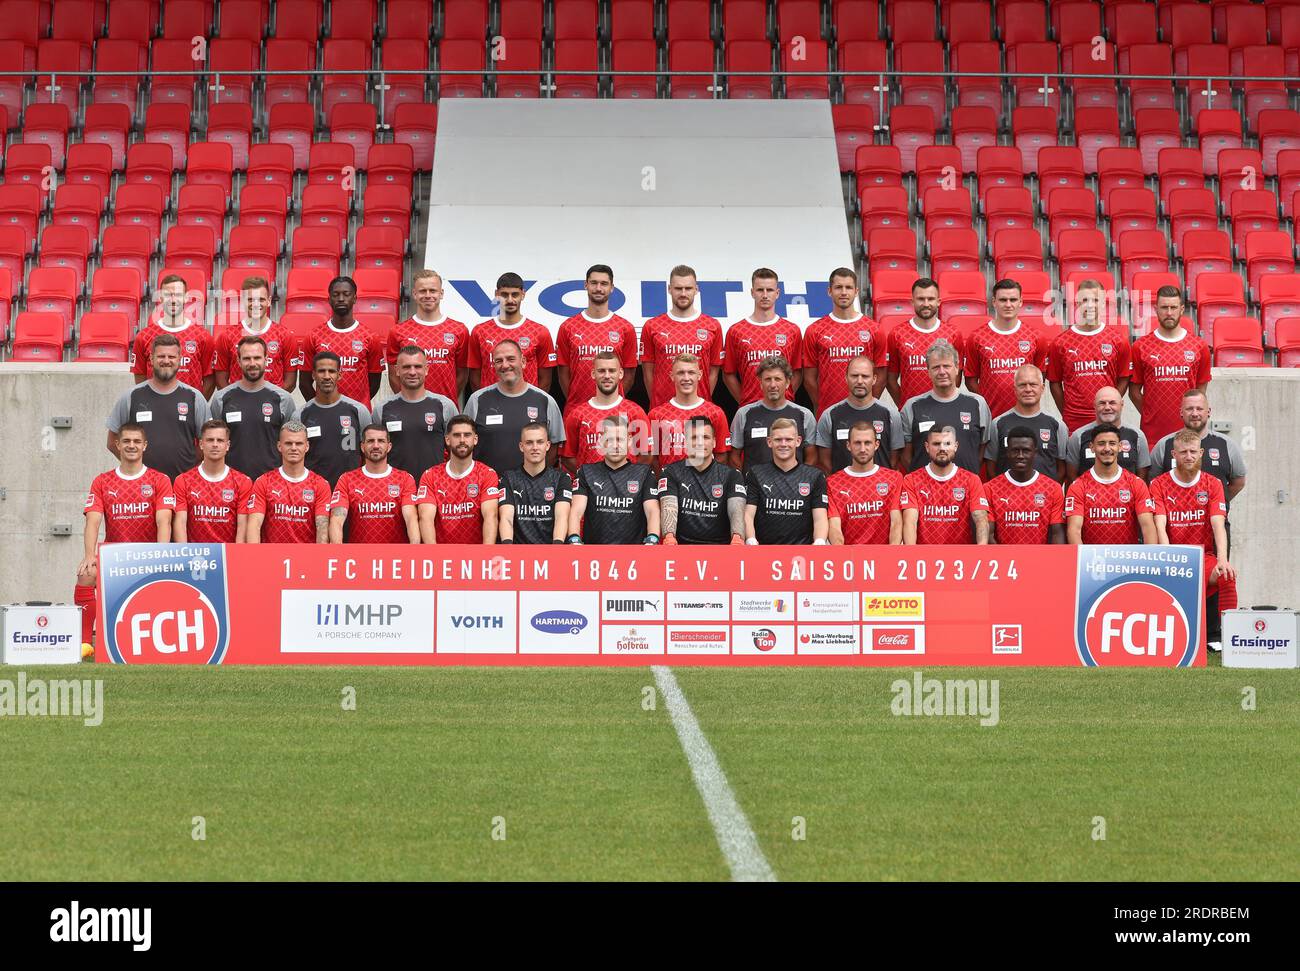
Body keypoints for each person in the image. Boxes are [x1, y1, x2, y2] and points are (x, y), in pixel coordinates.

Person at [75, 422, 176, 647]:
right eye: (127, 441)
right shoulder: (102, 481)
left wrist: (161, 554)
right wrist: (89, 555)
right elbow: (93, 521)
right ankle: (85, 644)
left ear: (145, 446)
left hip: (147, 555)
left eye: (137, 441)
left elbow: (164, 520)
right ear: (118, 445)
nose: (132, 446)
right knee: (86, 574)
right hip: (114, 554)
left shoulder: (159, 480)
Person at [1151, 428, 1237, 651]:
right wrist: (1168, 558)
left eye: (1192, 452)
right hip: (1173, 557)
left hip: (1203, 556)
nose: (1188, 456)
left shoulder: (1213, 484)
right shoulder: (1159, 484)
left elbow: (1218, 524)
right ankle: (1168, 640)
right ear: (1174, 455)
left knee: (1227, 575)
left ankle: (1232, 638)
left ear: (1201, 453)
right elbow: (1160, 524)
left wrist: (1222, 560)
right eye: (1183, 452)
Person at [107, 332, 210, 480]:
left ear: (179, 360)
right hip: (142, 486)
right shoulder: (131, 397)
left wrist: (189, 467)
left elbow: (207, 442)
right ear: (151, 359)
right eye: (161, 356)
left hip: (182, 486)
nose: (166, 361)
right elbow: (112, 442)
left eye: (172, 357)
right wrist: (134, 466)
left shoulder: (194, 397)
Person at [464, 339, 565, 474]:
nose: (505, 365)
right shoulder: (477, 400)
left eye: (511, 359)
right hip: (488, 489)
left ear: (523, 362)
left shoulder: (545, 401)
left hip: (530, 490)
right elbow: (465, 443)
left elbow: (554, 447)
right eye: (499, 361)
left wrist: (535, 477)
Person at [1129, 286, 1212, 451]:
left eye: (1173, 307)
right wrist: (1150, 413)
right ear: (1156, 309)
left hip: (1188, 436)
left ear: (1181, 309)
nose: (1169, 312)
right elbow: (1134, 392)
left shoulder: (1199, 346)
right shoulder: (1140, 346)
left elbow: (1200, 391)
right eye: (1164, 307)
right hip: (1153, 436)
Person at [207, 335, 297, 482]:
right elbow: (215, 442)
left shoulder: (284, 399)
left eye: (257, 358)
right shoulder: (221, 399)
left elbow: (290, 443)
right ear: (238, 361)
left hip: (271, 483)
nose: (252, 363)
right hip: (231, 483)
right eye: (247, 358)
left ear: (266, 359)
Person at [1048, 278, 1131, 433]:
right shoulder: (1060, 343)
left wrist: (1109, 406)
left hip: (1108, 420)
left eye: (1095, 300)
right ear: (1077, 303)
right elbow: (1054, 383)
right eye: (1085, 300)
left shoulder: (1119, 341)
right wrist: (1067, 411)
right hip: (1074, 421)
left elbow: (1124, 378)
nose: (1090, 305)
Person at [803, 267, 887, 415]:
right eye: (838, 287)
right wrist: (823, 405)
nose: (843, 292)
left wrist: (867, 403)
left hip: (864, 412)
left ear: (856, 291)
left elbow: (881, 375)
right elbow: (809, 379)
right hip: (829, 413)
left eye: (848, 287)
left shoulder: (875, 330)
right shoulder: (814, 330)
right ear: (829, 291)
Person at [899, 339, 992, 474]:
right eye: (936, 367)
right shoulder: (912, 406)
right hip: (924, 490)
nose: (941, 372)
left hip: (965, 489)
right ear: (928, 371)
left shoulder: (977, 404)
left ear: (956, 368)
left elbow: (982, 450)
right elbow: (905, 455)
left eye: (946, 366)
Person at [640, 264, 725, 409]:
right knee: (656, 433)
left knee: (700, 433)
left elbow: (713, 373)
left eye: (688, 288)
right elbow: (648, 373)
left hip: (699, 412)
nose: (683, 293)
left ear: (696, 290)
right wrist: (658, 404)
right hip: (661, 411)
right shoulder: (651, 326)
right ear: (669, 289)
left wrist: (699, 402)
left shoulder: (713, 325)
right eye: (678, 288)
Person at [372, 345, 459, 484]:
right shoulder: (382, 408)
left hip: (435, 487)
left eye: (418, 367)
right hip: (395, 488)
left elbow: (457, 450)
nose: (412, 372)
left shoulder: (445, 406)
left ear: (426, 370)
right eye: (406, 367)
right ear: (397, 370)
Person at [962, 278, 1048, 419]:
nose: (1008, 305)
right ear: (994, 302)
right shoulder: (976, 338)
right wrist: (985, 402)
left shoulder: (1036, 337)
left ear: (1021, 302)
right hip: (991, 416)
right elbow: (971, 379)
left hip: (1027, 415)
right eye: (1003, 300)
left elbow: (1040, 376)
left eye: (1013, 300)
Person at [566, 417, 661, 544]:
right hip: (594, 555)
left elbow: (652, 511)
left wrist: (653, 538)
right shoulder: (586, 472)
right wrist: (573, 537)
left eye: (620, 440)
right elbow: (576, 511)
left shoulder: (644, 473)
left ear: (629, 440)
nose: (615, 445)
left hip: (635, 555)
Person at [297, 276, 385, 408]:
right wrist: (321, 407)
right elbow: (304, 383)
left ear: (354, 298)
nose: (341, 299)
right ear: (329, 299)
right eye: (336, 294)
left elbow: (374, 382)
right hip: (323, 412)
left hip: (357, 413)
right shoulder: (313, 336)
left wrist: (356, 407)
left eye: (346, 294)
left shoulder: (370, 337)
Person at [555, 264, 639, 404]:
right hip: (577, 408)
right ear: (586, 285)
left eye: (604, 284)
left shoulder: (625, 328)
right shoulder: (567, 327)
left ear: (611, 288)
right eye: (594, 283)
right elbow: (563, 373)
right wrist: (576, 401)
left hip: (614, 411)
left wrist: (609, 401)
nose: (598, 288)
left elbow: (629, 375)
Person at [385, 268, 470, 403]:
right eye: (422, 291)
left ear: (441, 293)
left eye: (433, 290)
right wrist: (409, 400)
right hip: (410, 407)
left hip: (445, 408)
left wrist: (446, 401)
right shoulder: (398, 331)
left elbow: (462, 375)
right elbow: (394, 375)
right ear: (414, 294)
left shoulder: (459, 330)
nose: (428, 295)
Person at [658, 417, 747, 545]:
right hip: (682, 548)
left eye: (705, 437)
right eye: (694, 438)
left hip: (721, 549)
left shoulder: (731, 475)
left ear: (714, 442)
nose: (700, 443)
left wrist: (737, 537)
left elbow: (736, 510)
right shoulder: (670, 472)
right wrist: (669, 536)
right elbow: (669, 507)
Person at [722, 267, 803, 407]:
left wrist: (785, 396)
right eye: (760, 290)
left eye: (770, 290)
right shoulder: (736, 331)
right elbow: (728, 374)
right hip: (750, 408)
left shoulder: (792, 330)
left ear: (777, 293)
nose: (765, 295)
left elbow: (798, 371)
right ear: (752, 292)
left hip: (783, 409)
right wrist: (744, 401)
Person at [1064, 423, 1157, 544]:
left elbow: (1148, 528)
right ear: (1091, 447)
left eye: (1112, 443)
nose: (1107, 449)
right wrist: (1086, 561)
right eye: (1101, 443)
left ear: (1120, 447)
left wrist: (1147, 561)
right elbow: (1074, 531)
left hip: (1128, 559)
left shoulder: (1136, 484)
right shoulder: (1078, 486)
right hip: (1092, 560)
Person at [1150, 389, 1247, 504]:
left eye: (1199, 409)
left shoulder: (1227, 444)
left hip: (1215, 521)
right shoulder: (1164, 445)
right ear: (1181, 412)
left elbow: (1238, 482)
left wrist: (1218, 502)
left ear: (1209, 411)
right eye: (1189, 409)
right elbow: (1152, 482)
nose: (1195, 414)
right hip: (1174, 520)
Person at [415, 416, 503, 544]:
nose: (462, 440)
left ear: (475, 439)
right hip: (442, 558)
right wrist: (433, 557)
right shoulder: (430, 475)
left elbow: (491, 516)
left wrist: (486, 556)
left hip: (476, 556)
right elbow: (425, 518)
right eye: (456, 435)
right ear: (448, 440)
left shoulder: (487, 474)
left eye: (467, 435)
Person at [561, 350, 651, 473]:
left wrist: (629, 477)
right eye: (601, 371)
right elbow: (567, 457)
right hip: (589, 489)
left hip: (626, 489)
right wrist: (588, 477)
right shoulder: (577, 415)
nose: (607, 376)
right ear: (593, 374)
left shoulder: (635, 412)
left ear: (620, 373)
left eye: (612, 371)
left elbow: (647, 454)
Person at [327, 425, 420, 544]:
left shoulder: (405, 479)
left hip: (396, 559)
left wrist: (415, 552)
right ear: (362, 446)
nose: (376, 446)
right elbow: (336, 520)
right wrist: (337, 553)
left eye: (381, 441)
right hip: (358, 558)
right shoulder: (347, 479)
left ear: (389, 446)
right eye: (370, 441)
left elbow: (411, 519)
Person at [743, 418, 829, 545]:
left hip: (801, 554)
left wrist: (820, 541)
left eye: (788, 439)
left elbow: (820, 518)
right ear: (769, 442)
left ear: (798, 441)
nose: (783, 444)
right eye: (778, 439)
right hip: (763, 552)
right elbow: (748, 514)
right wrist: (750, 539)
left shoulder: (815, 476)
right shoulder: (755, 474)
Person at [466, 271, 556, 391]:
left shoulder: (540, 332)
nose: (510, 300)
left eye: (515, 294)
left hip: (526, 405)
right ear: (496, 294)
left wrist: (534, 402)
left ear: (523, 294)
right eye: (504, 295)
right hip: (491, 406)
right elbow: (474, 376)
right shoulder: (479, 331)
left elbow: (545, 379)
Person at [297, 351, 376, 488]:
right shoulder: (300, 415)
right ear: (313, 375)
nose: (327, 376)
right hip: (313, 491)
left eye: (331, 371)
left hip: (351, 490)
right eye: (321, 371)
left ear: (339, 375)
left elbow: (368, 454)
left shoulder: (359, 411)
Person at [813, 355, 903, 473]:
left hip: (880, 488)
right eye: (854, 376)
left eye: (865, 376)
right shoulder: (830, 415)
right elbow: (825, 462)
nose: (859, 381)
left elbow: (894, 461)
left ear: (874, 379)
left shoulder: (891, 414)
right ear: (846, 378)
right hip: (843, 488)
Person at [900, 426, 990, 544]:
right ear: (927, 447)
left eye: (947, 443)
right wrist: (911, 557)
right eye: (936, 444)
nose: (942, 448)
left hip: (961, 558)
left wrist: (981, 554)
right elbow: (910, 521)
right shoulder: (911, 480)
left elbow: (981, 519)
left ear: (956, 446)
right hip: (923, 558)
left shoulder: (972, 480)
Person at [245, 422, 331, 543]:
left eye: (299, 443)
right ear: (279, 446)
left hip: (306, 559)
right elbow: (254, 525)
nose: (294, 448)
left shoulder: (321, 484)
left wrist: (318, 560)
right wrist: (257, 558)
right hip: (271, 558)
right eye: (288, 443)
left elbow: (322, 529)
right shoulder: (264, 481)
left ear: (307, 446)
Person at [886, 277, 964, 408]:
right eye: (921, 299)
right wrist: (906, 406)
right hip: (912, 411)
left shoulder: (953, 334)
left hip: (945, 408)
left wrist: (947, 401)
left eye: (931, 299)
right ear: (912, 301)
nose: (926, 303)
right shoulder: (897, 334)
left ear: (938, 301)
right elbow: (890, 379)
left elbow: (957, 375)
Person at [131, 273, 214, 396]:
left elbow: (210, 379)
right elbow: (140, 376)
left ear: (186, 298)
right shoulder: (144, 336)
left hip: (189, 410)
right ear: (161, 298)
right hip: (155, 407)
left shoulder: (203, 337)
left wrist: (196, 405)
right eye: (168, 295)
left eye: (178, 295)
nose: (173, 300)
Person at [172, 420, 253, 543]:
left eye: (220, 440)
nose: (215, 444)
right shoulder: (183, 480)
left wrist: (237, 557)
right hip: (195, 557)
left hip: (228, 556)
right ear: (201, 444)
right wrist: (185, 555)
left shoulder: (243, 482)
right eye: (210, 440)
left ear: (228, 445)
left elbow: (243, 526)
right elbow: (180, 523)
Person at [646, 352, 730, 469]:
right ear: (672, 376)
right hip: (669, 484)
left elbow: (721, 455)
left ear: (699, 375)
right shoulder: (656, 415)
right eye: (681, 373)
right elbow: (652, 457)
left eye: (691, 372)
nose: (686, 378)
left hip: (704, 484)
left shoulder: (715, 413)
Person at [730, 356, 817, 469]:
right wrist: (746, 482)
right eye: (767, 379)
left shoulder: (805, 415)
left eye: (777, 379)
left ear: (787, 383)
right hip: (755, 485)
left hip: (793, 485)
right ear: (760, 383)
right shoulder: (744, 414)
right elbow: (733, 457)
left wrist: (800, 479)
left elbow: (812, 456)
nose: (772, 385)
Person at [983, 426, 1066, 544]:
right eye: (1015, 450)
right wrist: (1006, 560)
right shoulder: (990, 488)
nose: (1020, 455)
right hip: (1005, 560)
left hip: (1040, 560)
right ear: (1007, 452)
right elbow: (988, 534)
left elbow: (1057, 533)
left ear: (1035, 453)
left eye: (1026, 451)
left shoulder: (1053, 488)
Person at [984, 364, 1068, 481]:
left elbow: (1062, 469)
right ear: (1015, 389)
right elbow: (991, 468)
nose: (1028, 389)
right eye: (1022, 385)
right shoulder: (998, 424)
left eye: (1033, 384)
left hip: (1044, 497)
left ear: (1042, 388)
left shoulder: (1057, 425)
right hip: (1008, 495)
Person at [212, 276, 296, 393]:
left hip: (273, 406)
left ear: (269, 301)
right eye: (250, 299)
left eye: (261, 299)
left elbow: (290, 383)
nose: (256, 304)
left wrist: (271, 400)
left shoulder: (285, 336)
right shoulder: (227, 336)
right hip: (238, 404)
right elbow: (221, 382)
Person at [827, 421, 904, 545]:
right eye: (857, 443)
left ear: (876, 444)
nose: (862, 449)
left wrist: (891, 557)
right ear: (848, 445)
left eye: (867, 443)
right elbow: (835, 529)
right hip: (850, 558)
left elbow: (896, 522)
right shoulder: (832, 483)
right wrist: (844, 559)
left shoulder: (894, 478)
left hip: (884, 557)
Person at [497, 422, 573, 544]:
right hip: (518, 555)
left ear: (548, 445)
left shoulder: (561, 478)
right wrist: (507, 549)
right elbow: (506, 518)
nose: (535, 447)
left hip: (550, 553)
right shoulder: (508, 478)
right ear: (521, 446)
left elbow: (562, 517)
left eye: (540, 442)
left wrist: (557, 549)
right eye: (529, 443)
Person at [1064, 385, 1151, 481]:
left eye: (1112, 403)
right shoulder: (1078, 436)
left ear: (1121, 405)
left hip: (1126, 495)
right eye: (1102, 403)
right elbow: (1071, 476)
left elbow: (1142, 477)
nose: (1107, 407)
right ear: (1094, 405)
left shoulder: (1137, 436)